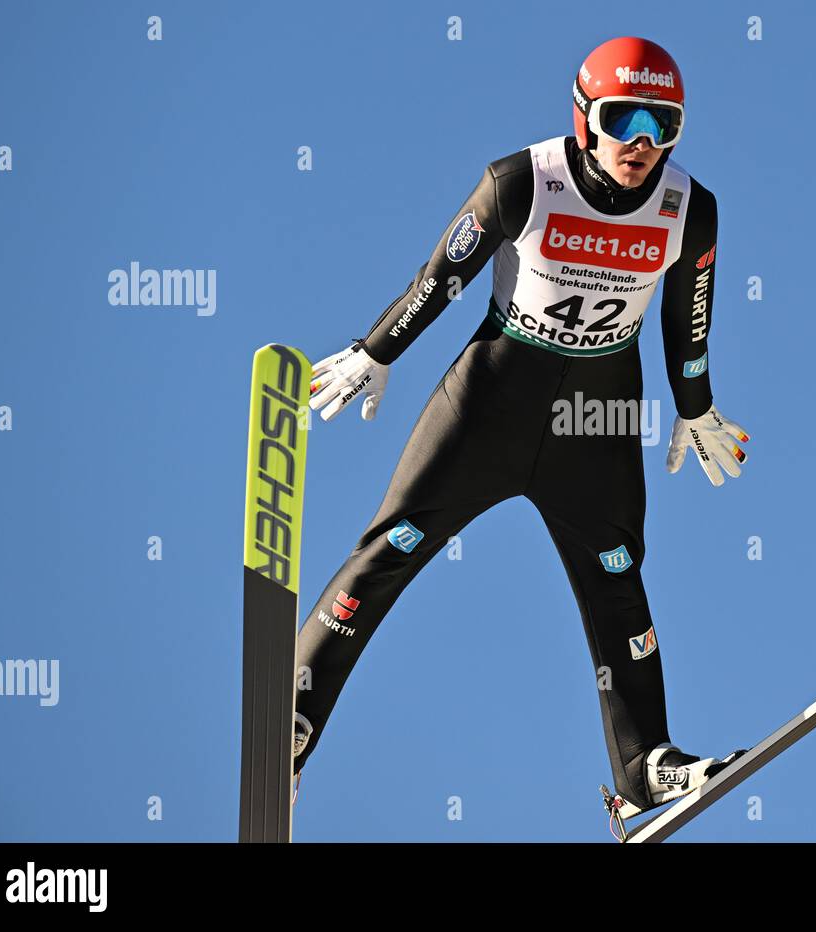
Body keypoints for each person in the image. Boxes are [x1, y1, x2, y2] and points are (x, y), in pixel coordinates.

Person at [295, 36, 749, 823]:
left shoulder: (689, 207)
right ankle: (290, 724)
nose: (642, 143)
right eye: (624, 118)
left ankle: (645, 765)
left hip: (595, 422)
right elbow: (439, 278)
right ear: (585, 119)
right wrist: (377, 351)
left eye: (662, 125)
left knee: (617, 580)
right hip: (491, 406)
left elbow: (689, 318)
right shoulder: (521, 181)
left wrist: (696, 403)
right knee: (389, 550)